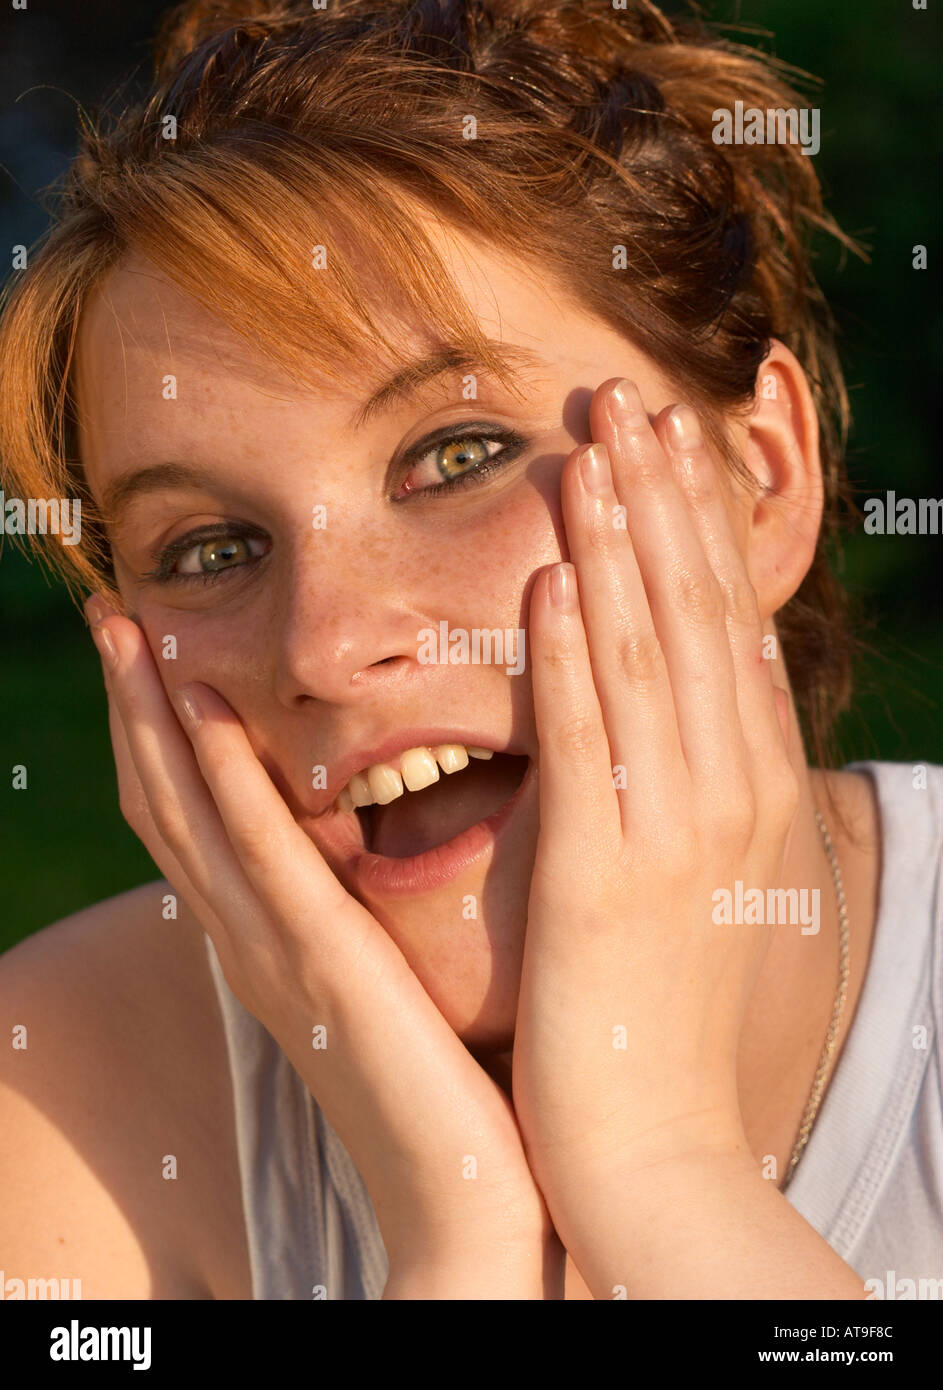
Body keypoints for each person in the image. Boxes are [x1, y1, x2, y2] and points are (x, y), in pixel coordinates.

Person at [0, 0, 939, 1301]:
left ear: (762, 480)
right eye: (212, 548)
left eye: (457, 456)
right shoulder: (49, 1090)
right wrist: (458, 1245)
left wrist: (661, 1174)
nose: (324, 643)